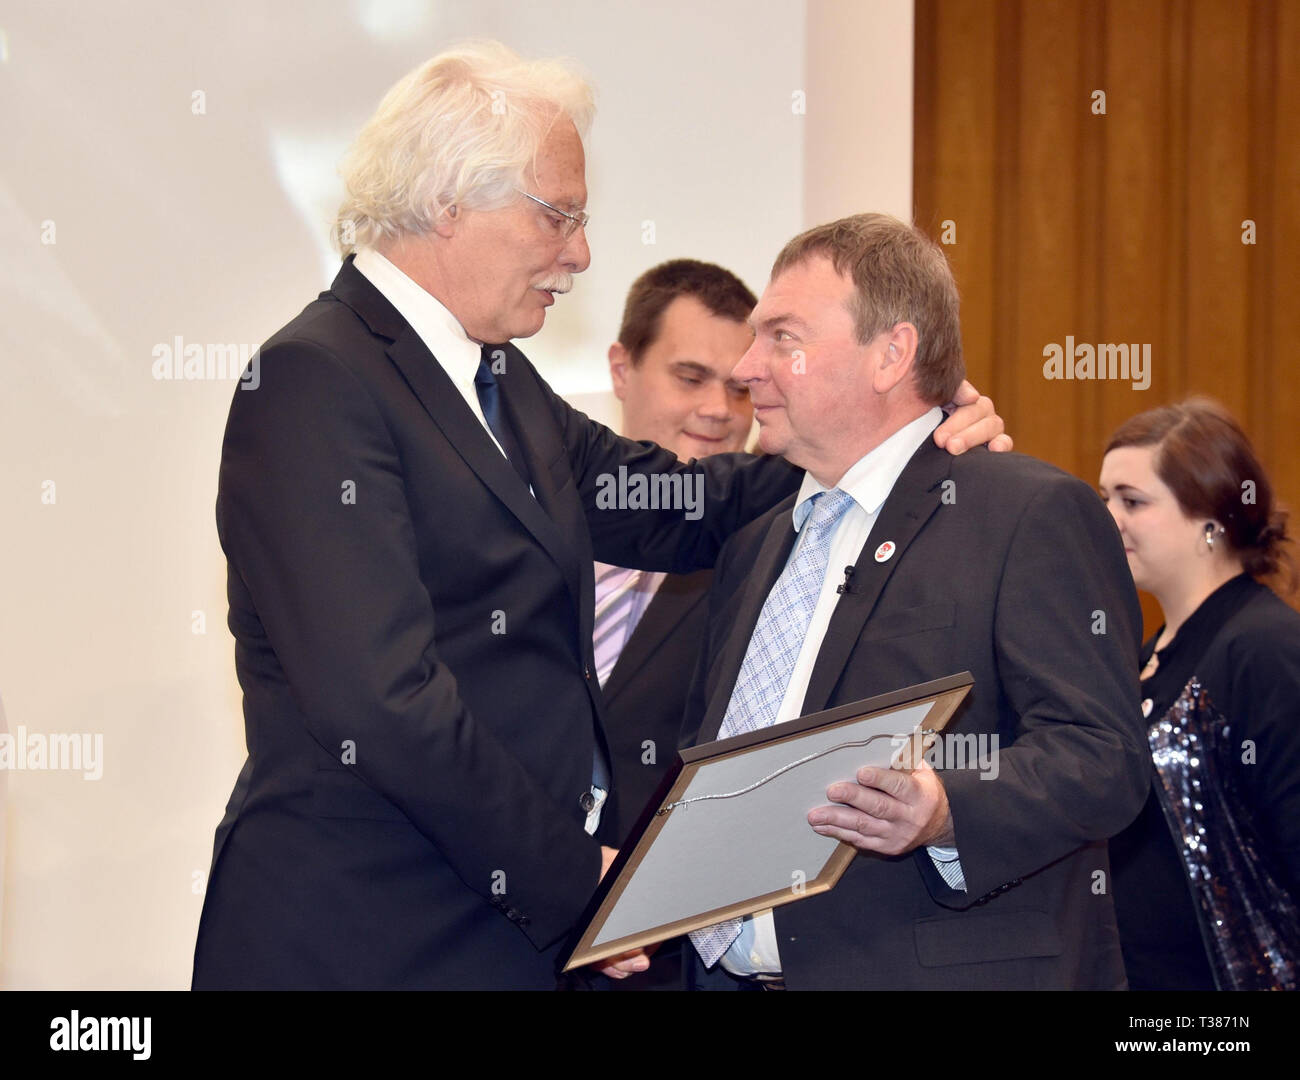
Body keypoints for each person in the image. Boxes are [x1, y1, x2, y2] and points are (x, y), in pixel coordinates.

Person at [191, 44, 1006, 990]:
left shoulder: (494, 380)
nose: (579, 254)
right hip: (360, 938)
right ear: (450, 199)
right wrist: (582, 880)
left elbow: (681, 506)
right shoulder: (315, 381)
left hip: (484, 934)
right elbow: (384, 705)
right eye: (559, 215)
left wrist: (890, 431)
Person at [679, 212, 1149, 990]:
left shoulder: (1028, 514)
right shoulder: (756, 547)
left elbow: (1105, 758)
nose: (746, 367)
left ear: (891, 352)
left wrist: (945, 806)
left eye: (782, 338)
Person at [1100, 399, 1300, 990]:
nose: (1109, 518)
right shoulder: (1145, 653)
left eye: (1131, 501)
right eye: (1105, 498)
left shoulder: (1265, 649)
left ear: (1211, 519)